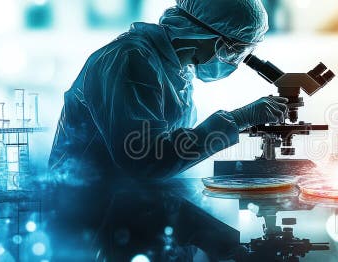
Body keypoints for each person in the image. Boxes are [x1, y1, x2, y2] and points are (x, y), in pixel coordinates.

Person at [49, 0, 287, 183]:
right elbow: (144, 160)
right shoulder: (130, 59)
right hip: (90, 206)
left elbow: (170, 148)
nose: (232, 60)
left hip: (128, 201)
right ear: (206, 34)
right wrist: (238, 119)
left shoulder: (175, 69)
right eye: (234, 49)